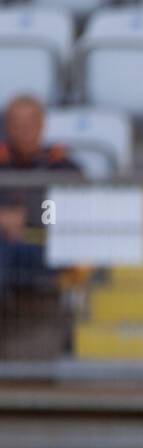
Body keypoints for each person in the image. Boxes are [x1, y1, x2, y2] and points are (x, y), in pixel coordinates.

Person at [0, 95, 82, 359]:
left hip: (45, 250)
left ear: (42, 125)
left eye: (30, 122)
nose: (23, 130)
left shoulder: (63, 167)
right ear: (7, 127)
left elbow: (71, 212)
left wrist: (28, 218)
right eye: (16, 123)